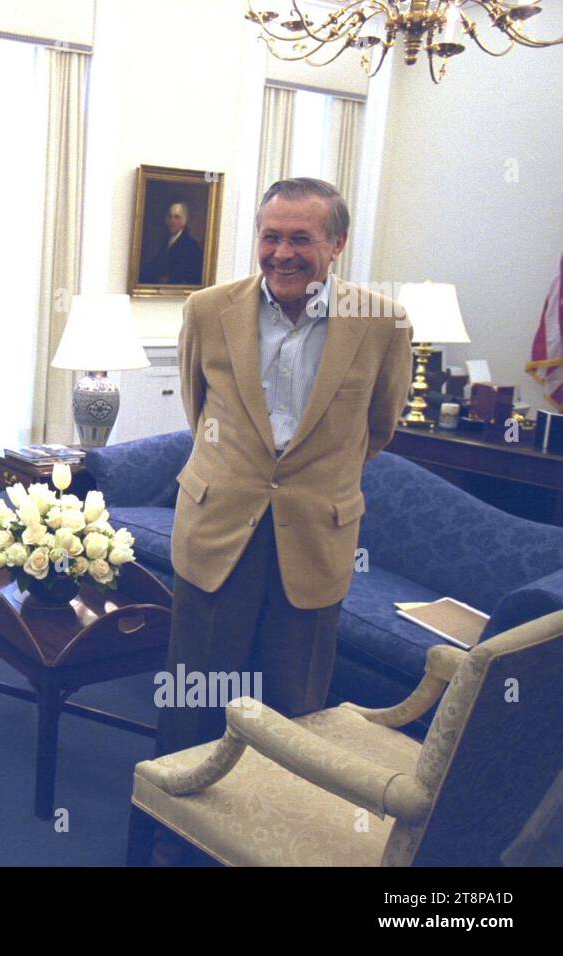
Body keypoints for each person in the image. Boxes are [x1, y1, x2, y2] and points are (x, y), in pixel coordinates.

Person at [159, 177, 413, 763]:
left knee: (295, 701)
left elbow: (379, 427)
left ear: (338, 242)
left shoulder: (383, 323)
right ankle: (173, 829)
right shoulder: (209, 310)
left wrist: (308, 478)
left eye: (302, 238)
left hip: (317, 537)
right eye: (270, 237)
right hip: (217, 526)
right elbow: (201, 413)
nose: (283, 253)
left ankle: (269, 831)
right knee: (194, 691)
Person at [140, 201, 204, 285]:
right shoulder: (167, 241)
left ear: (184, 221)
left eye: (177, 217)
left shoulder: (191, 246)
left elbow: (193, 278)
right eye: (170, 217)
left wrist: (170, 280)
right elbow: (154, 266)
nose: (172, 221)